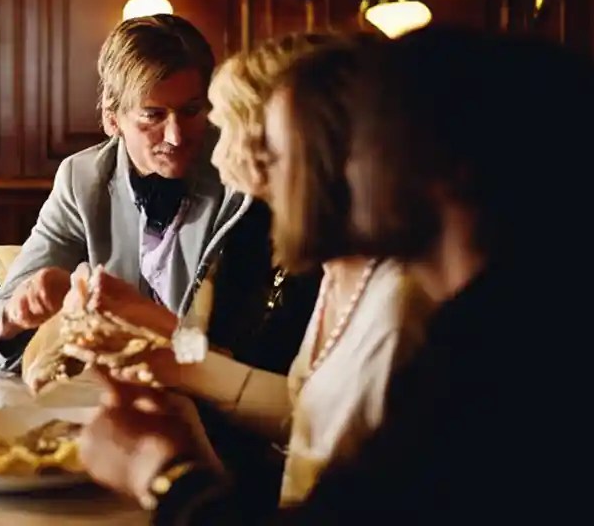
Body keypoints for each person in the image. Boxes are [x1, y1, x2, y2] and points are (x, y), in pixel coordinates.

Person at [78, 26, 594, 524]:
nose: (343, 169)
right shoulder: (260, 238)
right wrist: (156, 336)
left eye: (361, 144)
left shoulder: (473, 348)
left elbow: (294, 418)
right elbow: (226, 354)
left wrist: (167, 468)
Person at [72, 37, 432, 509]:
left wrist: (162, 472)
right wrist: (176, 408)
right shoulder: (330, 265)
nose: (213, 154)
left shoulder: (398, 303)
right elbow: (304, 425)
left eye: (219, 124)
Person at [0, 14, 247, 373]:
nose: (176, 137)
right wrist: (16, 315)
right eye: (153, 115)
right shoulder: (82, 179)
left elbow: (247, 351)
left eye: (191, 111)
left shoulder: (242, 179)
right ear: (112, 117)